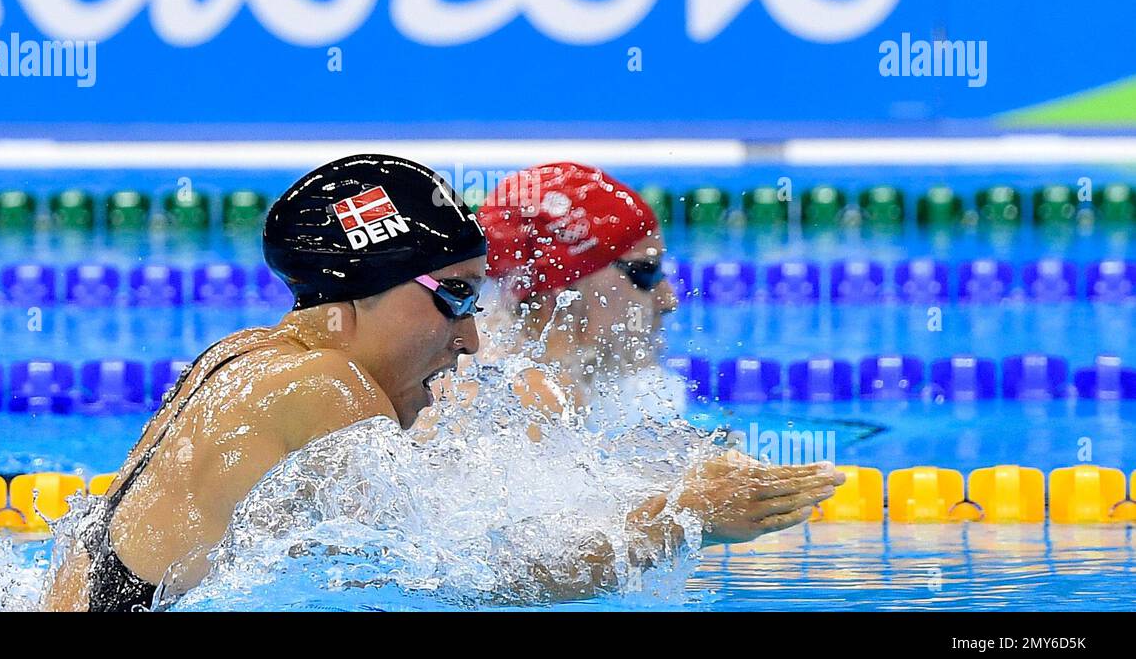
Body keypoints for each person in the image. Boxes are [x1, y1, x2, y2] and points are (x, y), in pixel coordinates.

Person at [43, 154, 841, 611]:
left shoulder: (247, 356)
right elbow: (465, 578)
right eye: (455, 295)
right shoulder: (327, 388)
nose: (470, 334)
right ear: (359, 295)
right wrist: (682, 515)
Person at [472, 162, 683, 426]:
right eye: (646, 271)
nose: (668, 300)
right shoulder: (536, 404)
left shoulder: (493, 371)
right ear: (561, 292)